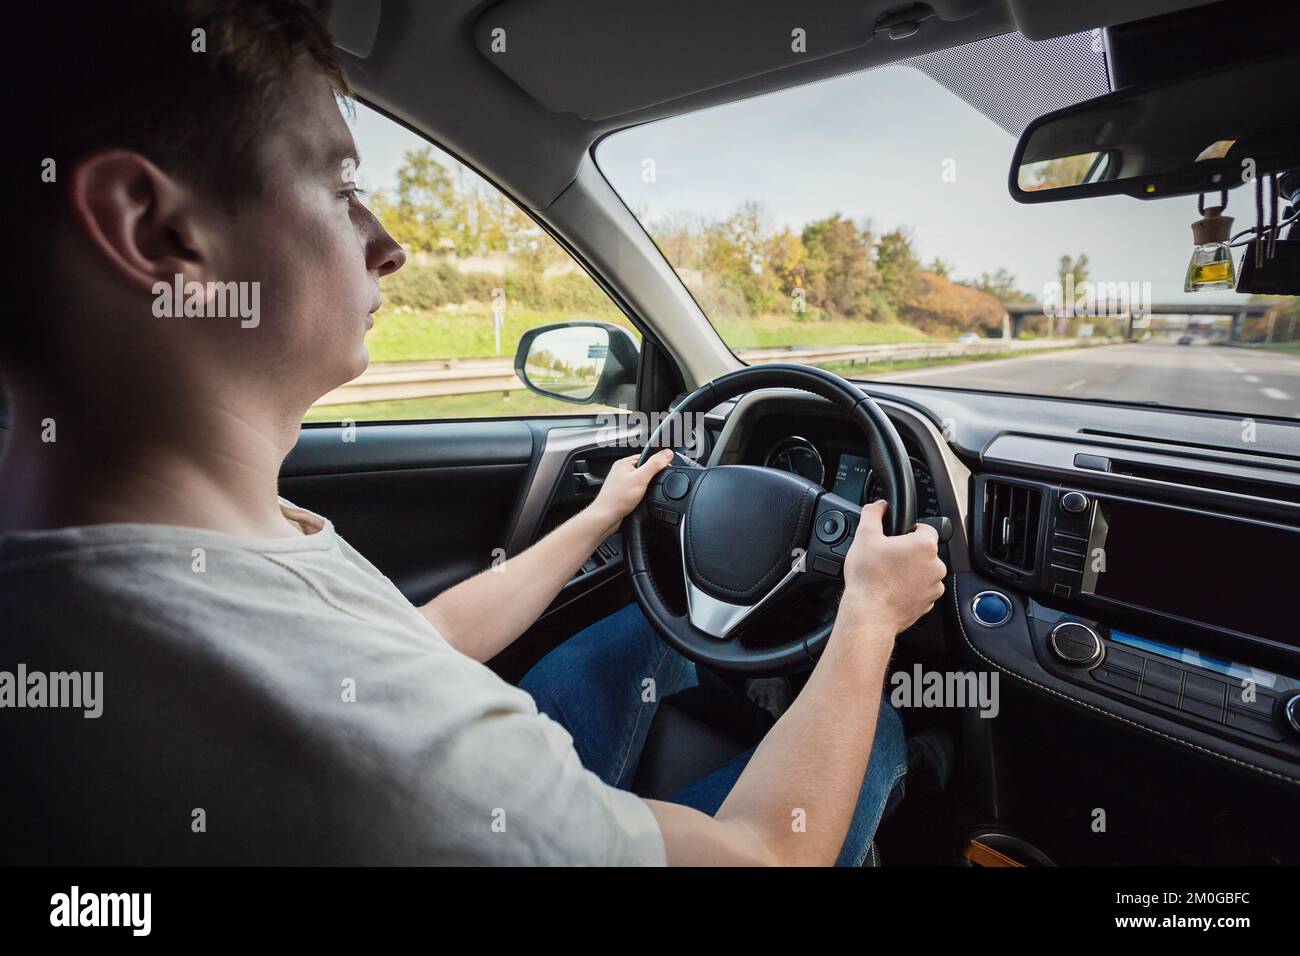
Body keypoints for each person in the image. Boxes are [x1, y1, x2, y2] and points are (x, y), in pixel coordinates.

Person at [0, 0, 946, 865]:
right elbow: (765, 857)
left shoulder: (168, 552)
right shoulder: (383, 756)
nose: (390, 245)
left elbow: (421, 641)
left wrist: (604, 516)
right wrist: (868, 618)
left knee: (642, 638)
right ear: (155, 232)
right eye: (338, 188)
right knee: (885, 729)